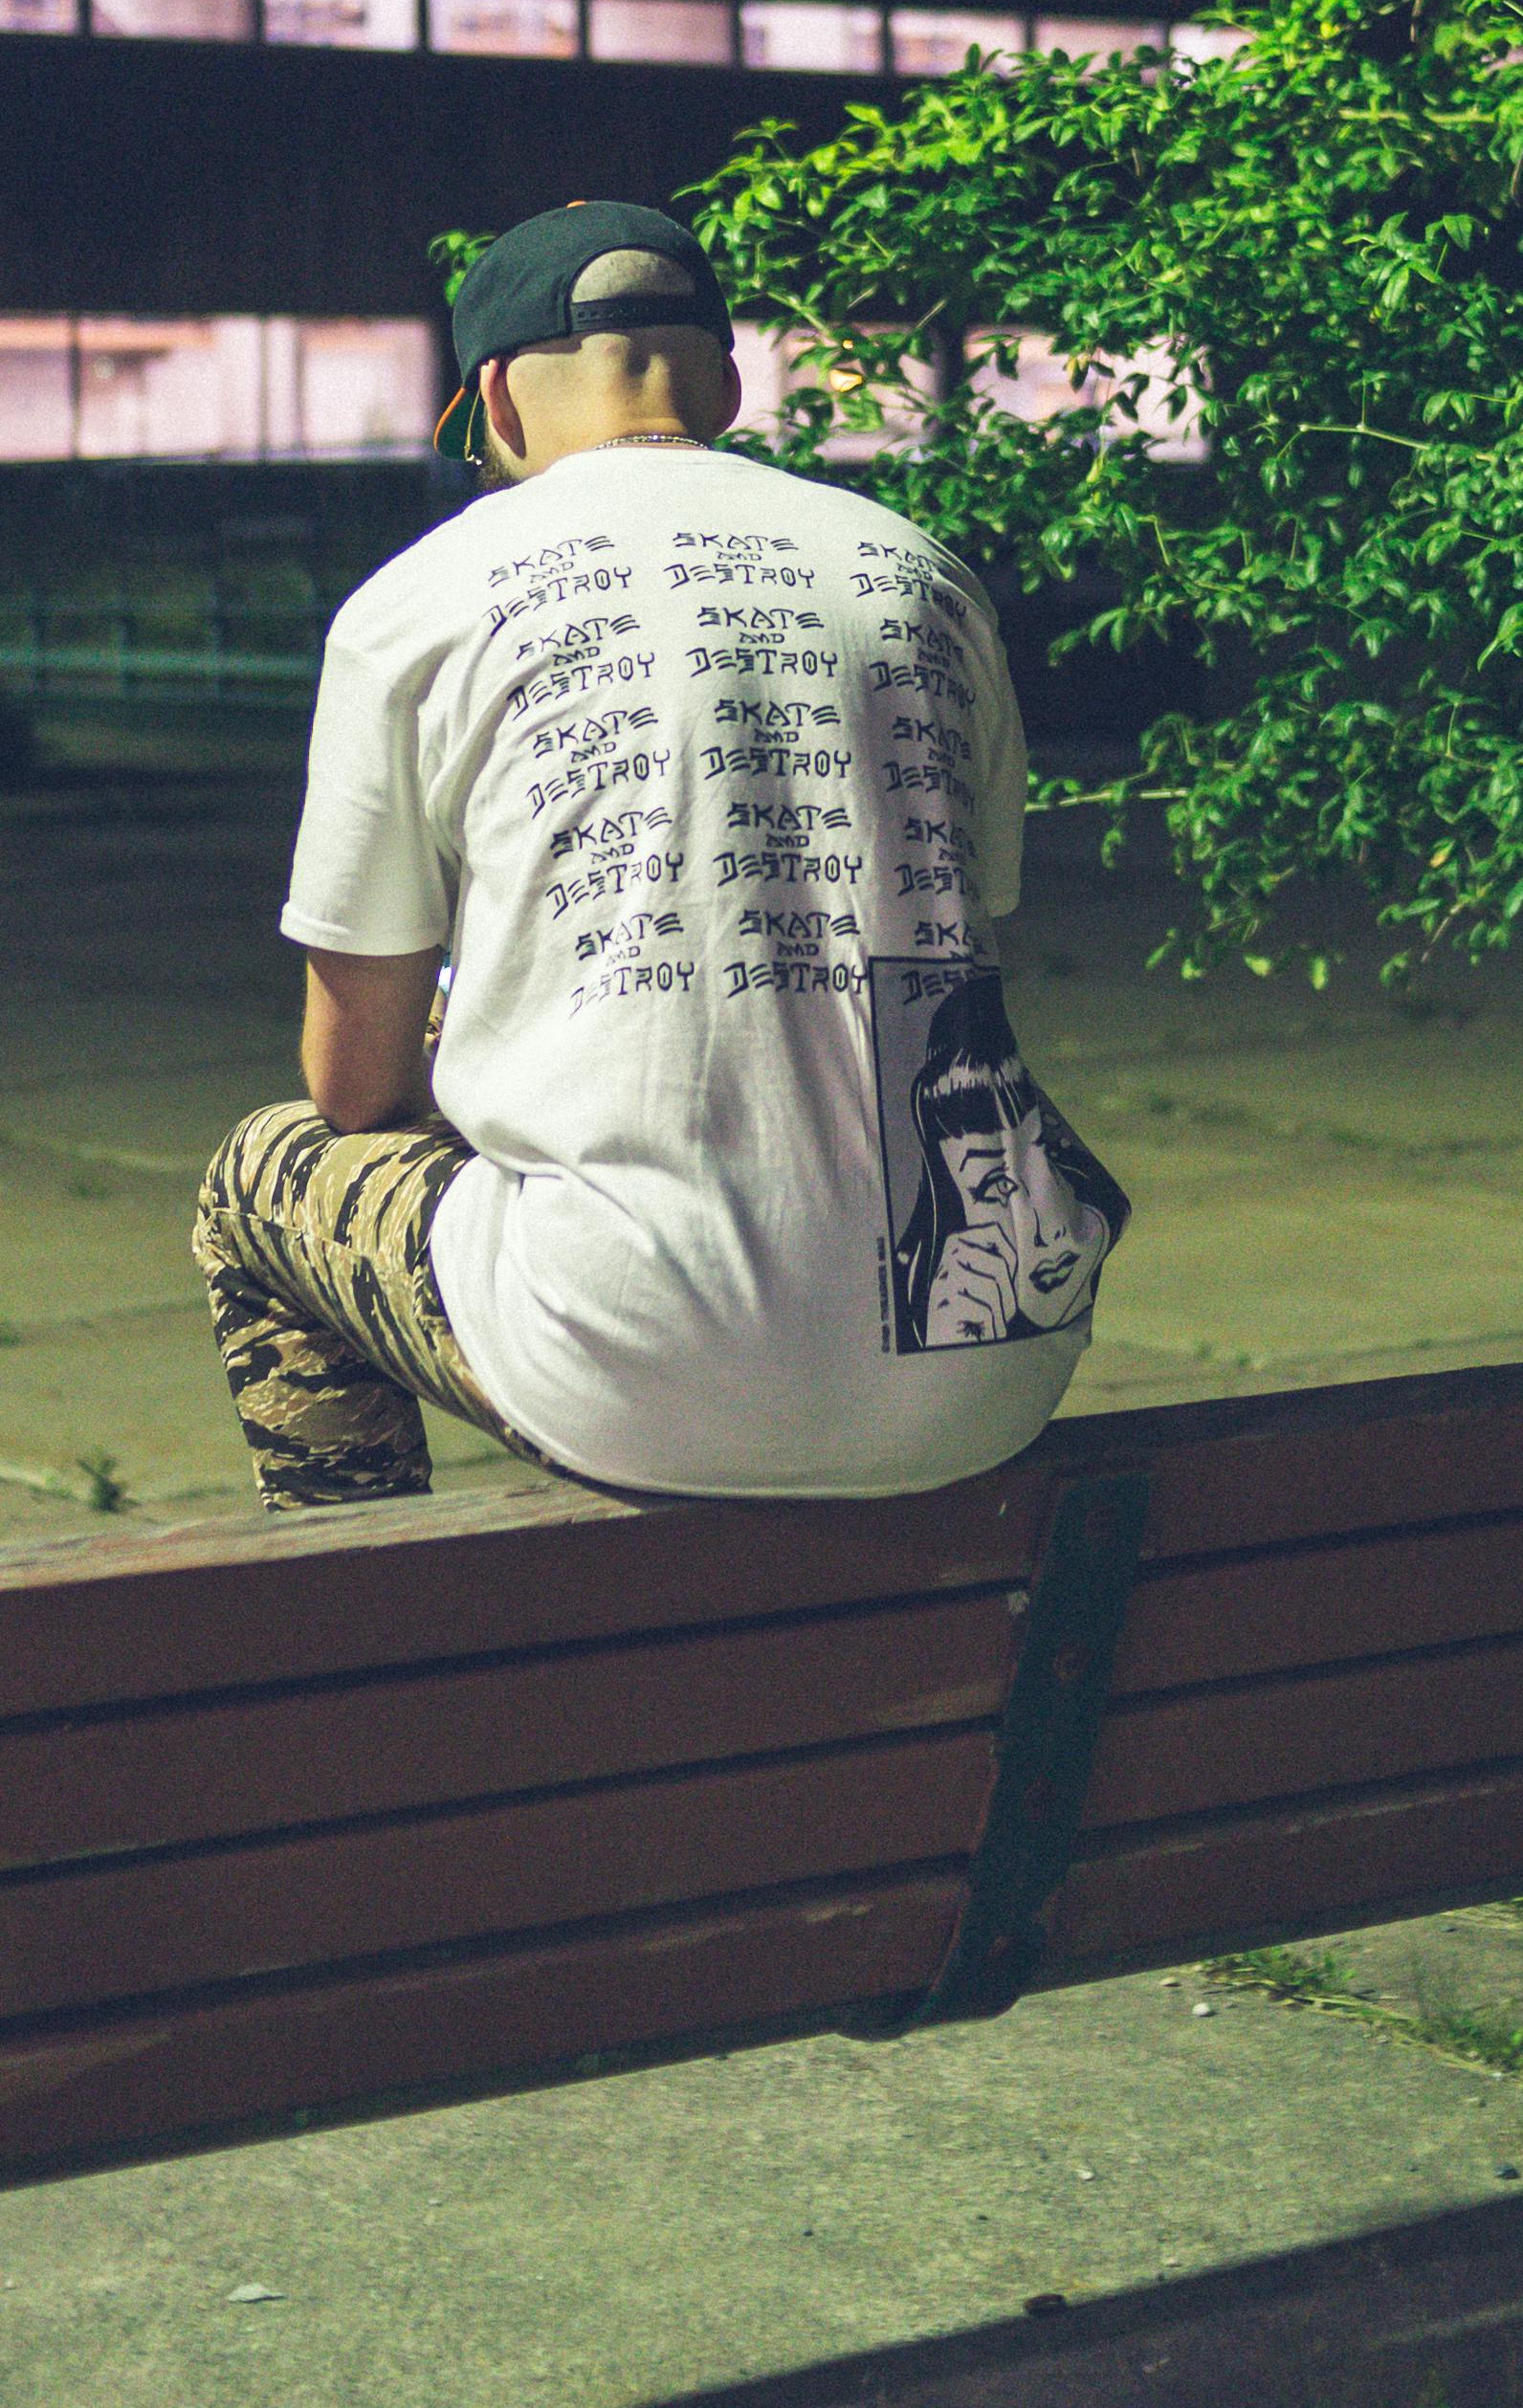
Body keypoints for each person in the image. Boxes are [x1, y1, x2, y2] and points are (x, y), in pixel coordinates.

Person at [194, 195, 1130, 1506]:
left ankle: (358, 1630)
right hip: (987, 1348)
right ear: (730, 387)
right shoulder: (924, 576)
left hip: (643, 1366)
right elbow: (939, 953)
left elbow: (353, 1091)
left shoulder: (416, 604)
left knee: (261, 1179)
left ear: (496, 410)